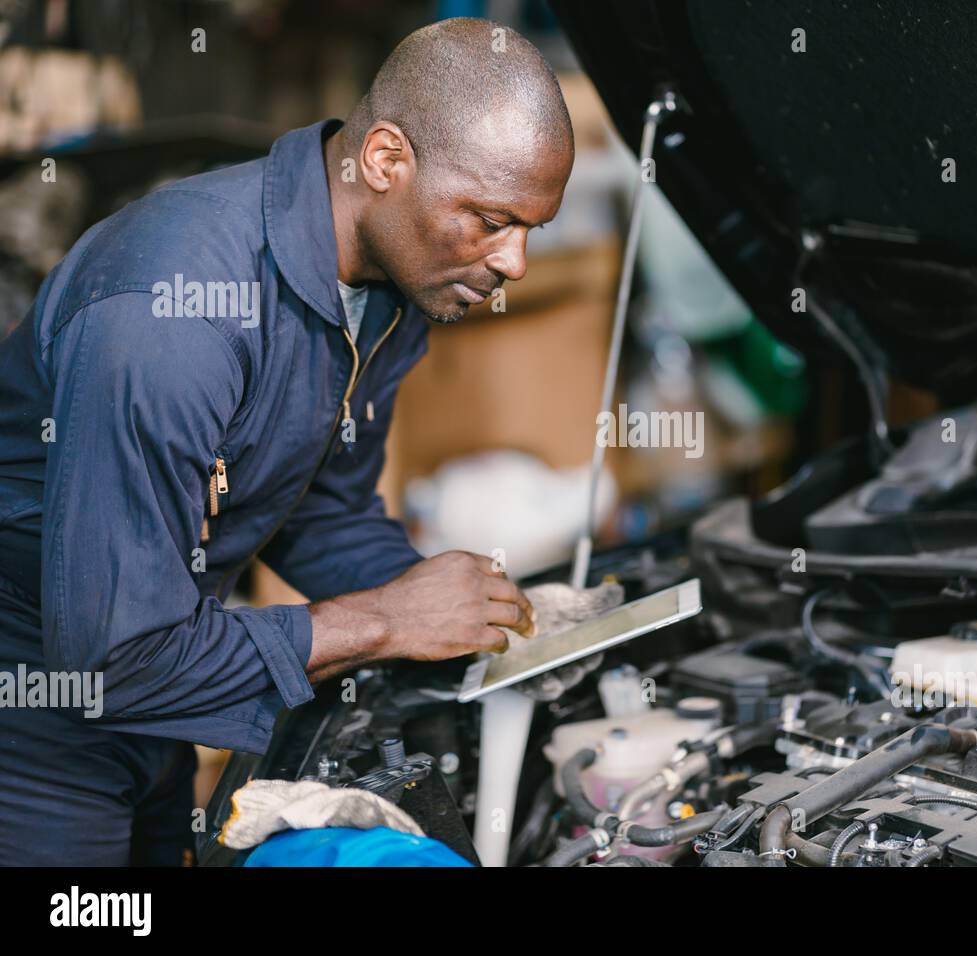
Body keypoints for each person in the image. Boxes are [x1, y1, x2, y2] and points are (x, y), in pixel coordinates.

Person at [0, 17, 574, 865]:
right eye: (490, 219)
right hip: (36, 705)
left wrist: (492, 628)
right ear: (385, 161)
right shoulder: (173, 311)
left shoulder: (393, 284)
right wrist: (382, 620)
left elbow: (318, 509)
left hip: (164, 680)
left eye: (531, 228)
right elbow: (113, 657)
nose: (514, 262)